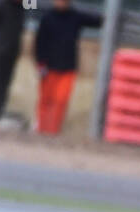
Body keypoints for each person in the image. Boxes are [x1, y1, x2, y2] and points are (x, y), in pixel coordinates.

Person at [33, 0, 103, 135]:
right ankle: (42, 129)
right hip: (49, 68)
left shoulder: (75, 17)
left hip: (68, 68)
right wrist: (41, 64)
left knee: (61, 101)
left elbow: (98, 21)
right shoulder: (47, 18)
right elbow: (40, 43)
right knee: (46, 100)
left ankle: (53, 131)